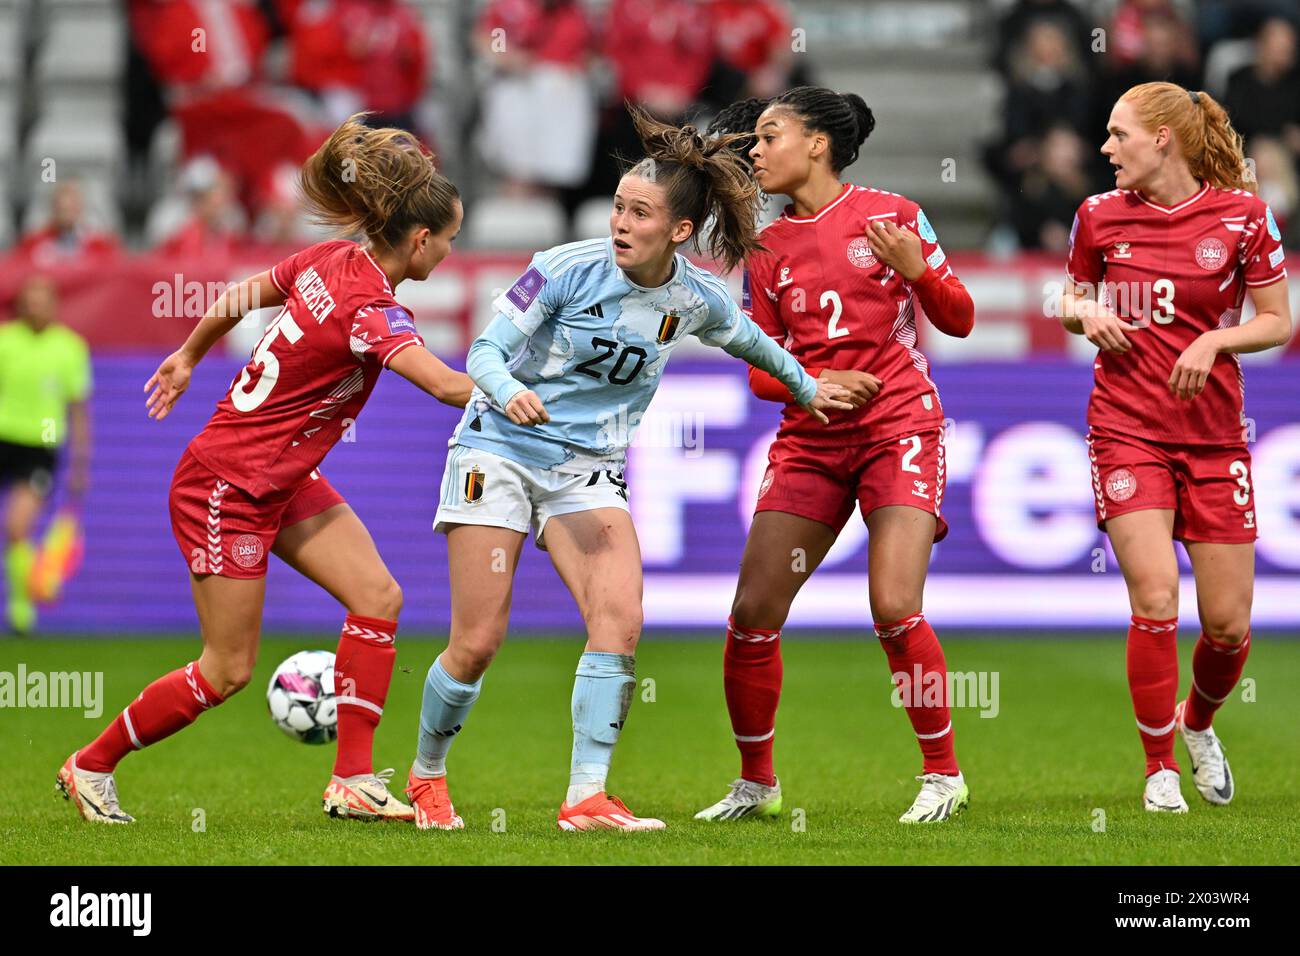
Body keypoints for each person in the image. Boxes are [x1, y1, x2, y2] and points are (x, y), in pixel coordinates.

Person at [403, 105, 851, 833]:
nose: (619, 223)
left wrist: (807, 387)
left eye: (639, 214)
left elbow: (757, 346)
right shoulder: (562, 269)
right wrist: (509, 388)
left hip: (586, 470)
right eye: (617, 206)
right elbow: (483, 353)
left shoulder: (693, 298)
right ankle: (426, 777)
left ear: (678, 232)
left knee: (621, 620)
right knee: (478, 640)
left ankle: (586, 797)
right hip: (500, 450)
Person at [57, 117, 474, 825]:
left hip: (279, 478)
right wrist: (527, 391)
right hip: (226, 485)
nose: (452, 249)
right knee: (227, 670)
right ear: (421, 240)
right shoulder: (368, 307)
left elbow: (235, 297)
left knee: (377, 595)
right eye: (452, 237)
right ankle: (90, 765)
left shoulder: (329, 260)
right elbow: (441, 384)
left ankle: (354, 780)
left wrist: (190, 356)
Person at [698, 87, 976, 824]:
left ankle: (943, 775)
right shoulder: (763, 248)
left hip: (898, 427)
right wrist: (809, 382)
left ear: (817, 143)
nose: (755, 151)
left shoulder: (893, 215)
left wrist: (920, 270)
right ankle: (757, 783)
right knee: (752, 611)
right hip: (811, 439)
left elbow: (961, 318)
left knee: (892, 605)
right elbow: (759, 368)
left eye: (769, 134)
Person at [1060, 82, 1291, 812]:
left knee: (1227, 626)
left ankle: (1197, 722)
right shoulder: (1098, 216)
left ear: (1163, 139)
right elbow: (1066, 297)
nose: (1106, 148)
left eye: (1117, 134)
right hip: (1126, 428)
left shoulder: (1245, 215)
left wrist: (1217, 338)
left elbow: (1278, 321)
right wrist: (1086, 309)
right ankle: (1159, 766)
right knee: (1156, 595)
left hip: (1216, 437)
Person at [0, 277, 92, 634]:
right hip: (3, 436)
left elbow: (78, 409)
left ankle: (22, 605)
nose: (35, 306)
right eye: (30, 299)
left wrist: (80, 464)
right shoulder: (5, 340)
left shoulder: (70, 348)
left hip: (42, 442)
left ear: (54, 305)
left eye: (43, 299)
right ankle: (35, 578)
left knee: (16, 527)